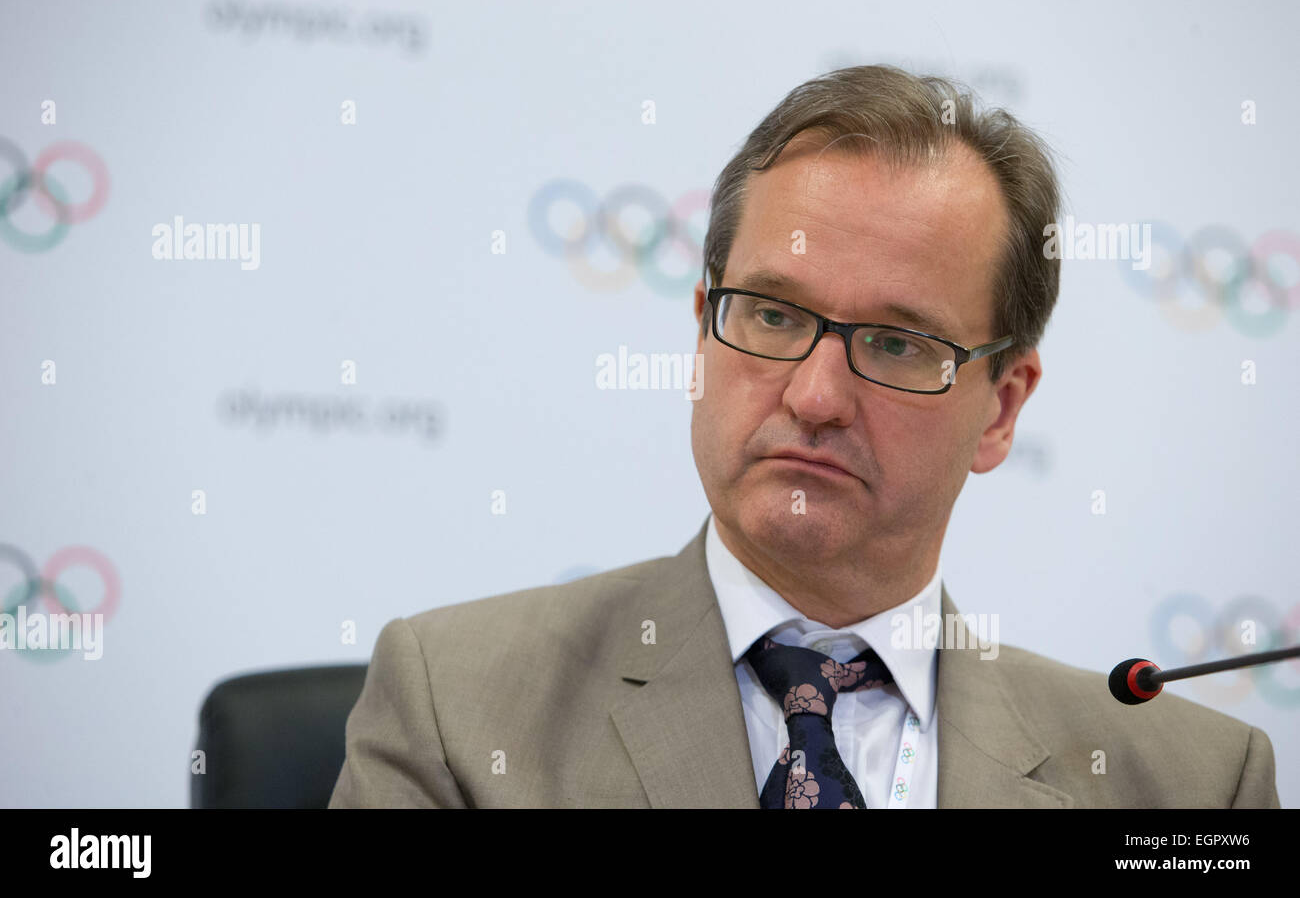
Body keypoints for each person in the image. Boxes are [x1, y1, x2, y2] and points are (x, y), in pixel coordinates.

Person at [329, 65, 1280, 808]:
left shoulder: (1187, 782)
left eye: (897, 343)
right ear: (704, 328)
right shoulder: (458, 709)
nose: (816, 395)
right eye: (774, 317)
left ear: (1001, 408)